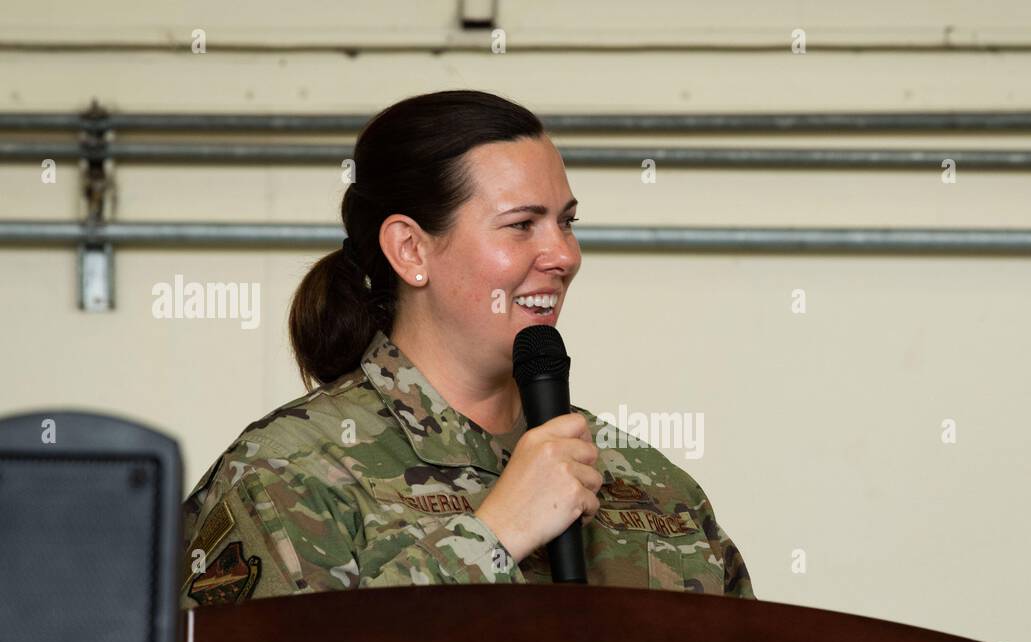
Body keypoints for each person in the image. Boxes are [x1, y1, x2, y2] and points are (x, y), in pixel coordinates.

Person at [179, 90, 754, 609]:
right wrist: (492, 538)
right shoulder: (287, 474)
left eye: (566, 223)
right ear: (410, 250)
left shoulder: (654, 486)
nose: (564, 256)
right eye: (522, 224)